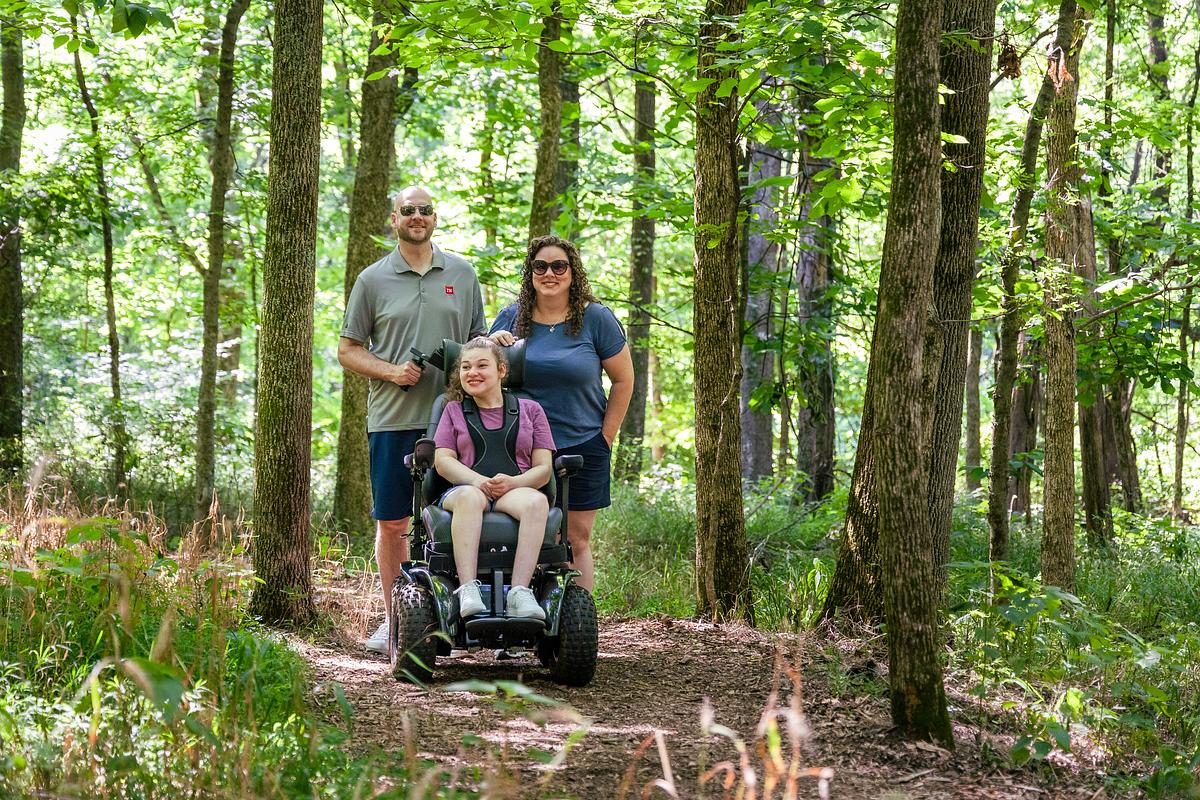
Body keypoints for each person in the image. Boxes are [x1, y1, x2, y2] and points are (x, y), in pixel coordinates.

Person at [339, 186, 487, 654]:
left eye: (425, 210)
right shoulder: (372, 279)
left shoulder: (461, 274)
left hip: (455, 420)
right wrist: (391, 371)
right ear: (394, 219)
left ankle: (475, 618)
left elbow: (478, 340)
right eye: (409, 211)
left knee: (467, 512)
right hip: (392, 419)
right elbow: (347, 350)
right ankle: (397, 621)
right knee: (395, 524)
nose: (417, 217)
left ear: (435, 217)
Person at [489, 235, 634, 592]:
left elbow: (624, 379)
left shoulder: (595, 318)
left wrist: (606, 437)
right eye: (540, 266)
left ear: (573, 272)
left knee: (575, 539)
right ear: (530, 273)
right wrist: (493, 344)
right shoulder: (512, 317)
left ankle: (576, 627)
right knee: (526, 533)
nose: (549, 273)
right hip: (521, 449)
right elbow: (476, 372)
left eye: (559, 266)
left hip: (582, 444)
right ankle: (522, 623)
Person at [432, 337, 557, 620]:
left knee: (537, 502)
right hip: (465, 488)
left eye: (481, 365)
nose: (471, 372)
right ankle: (467, 589)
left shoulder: (531, 410)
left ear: (501, 370)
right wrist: (478, 481)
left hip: (513, 489)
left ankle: (520, 592)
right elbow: (442, 461)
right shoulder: (452, 409)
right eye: (465, 367)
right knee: (469, 498)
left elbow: (543, 469)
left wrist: (512, 483)